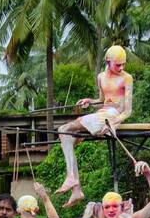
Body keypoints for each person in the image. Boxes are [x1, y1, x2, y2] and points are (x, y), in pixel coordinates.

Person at [57, 45, 135, 207]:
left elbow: (127, 111)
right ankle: (75, 187)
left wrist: (115, 122)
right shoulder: (101, 77)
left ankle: (73, 180)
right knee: (64, 132)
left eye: (123, 64)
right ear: (108, 62)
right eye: (118, 64)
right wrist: (89, 101)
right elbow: (102, 99)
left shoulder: (126, 78)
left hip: (112, 116)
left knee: (65, 131)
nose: (122, 68)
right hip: (101, 114)